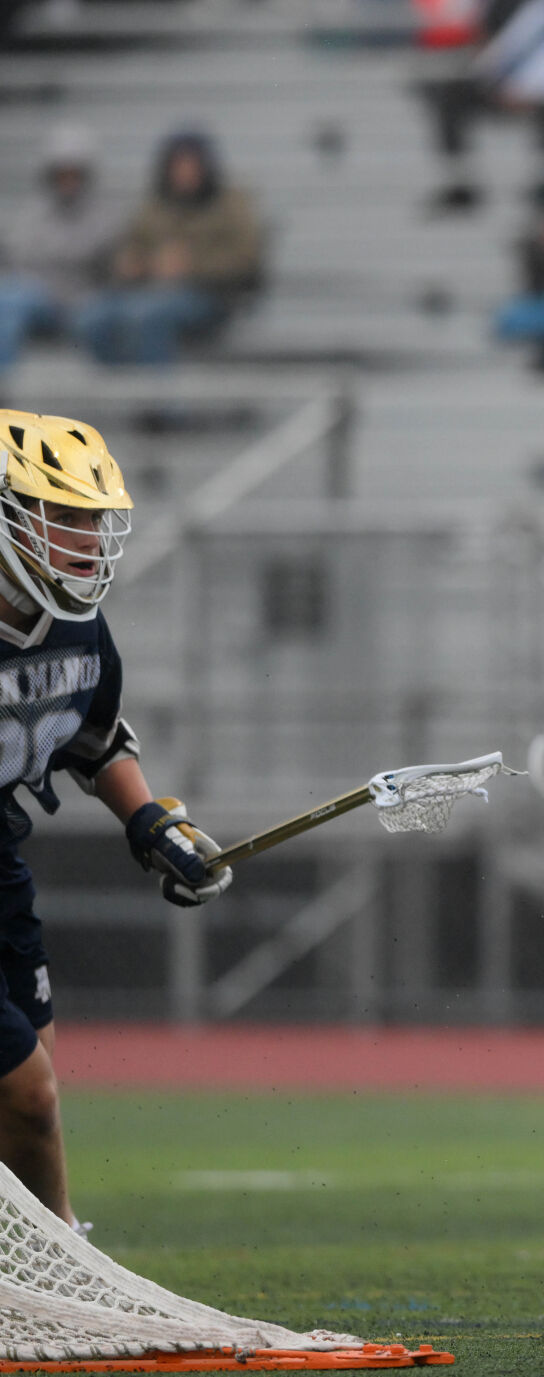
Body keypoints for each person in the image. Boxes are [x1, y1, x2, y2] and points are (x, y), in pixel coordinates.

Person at [0, 410, 232, 1232]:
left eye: (94, 518)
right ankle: (64, 1256)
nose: (85, 538)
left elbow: (94, 739)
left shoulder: (78, 625)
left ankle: (31, 1265)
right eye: (62, 515)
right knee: (27, 1090)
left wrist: (152, 826)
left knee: (29, 1087)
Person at [75, 129, 264, 366]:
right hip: (149, 291)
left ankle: (156, 399)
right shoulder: (154, 206)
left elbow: (246, 260)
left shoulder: (231, 204)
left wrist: (192, 265)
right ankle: (116, 389)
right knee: (94, 316)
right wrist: (130, 263)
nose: (184, 172)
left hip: (209, 297)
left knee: (149, 316)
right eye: (178, 165)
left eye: (191, 164)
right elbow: (131, 248)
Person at [0, 125, 119, 375]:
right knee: (8, 302)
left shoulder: (104, 216)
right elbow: (16, 258)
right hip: (36, 300)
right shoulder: (32, 215)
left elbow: (105, 265)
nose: (68, 181)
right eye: (62, 174)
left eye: (73, 174)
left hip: (81, 302)